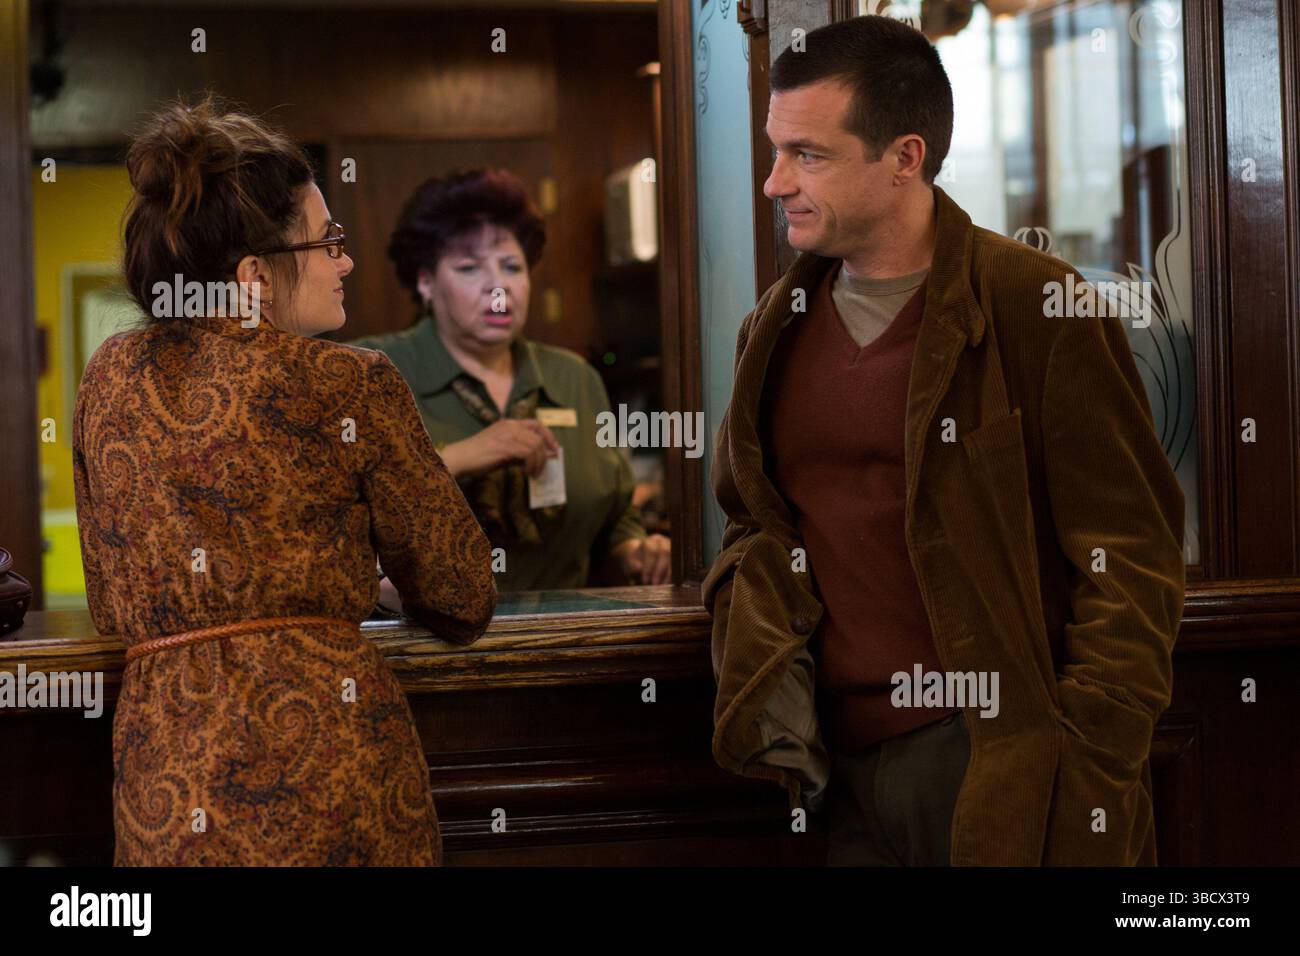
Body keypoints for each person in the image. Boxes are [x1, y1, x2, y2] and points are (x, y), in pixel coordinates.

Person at [704, 16, 1185, 866]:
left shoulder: (1037, 305)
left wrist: (1089, 758)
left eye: (808, 155)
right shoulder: (771, 330)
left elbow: (1132, 557)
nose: (775, 182)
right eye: (775, 151)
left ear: (905, 158)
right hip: (833, 772)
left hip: (998, 762)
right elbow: (754, 526)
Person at [72, 96, 496, 865]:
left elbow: (110, 602)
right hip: (334, 781)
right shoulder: (349, 382)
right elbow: (463, 592)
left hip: (166, 782)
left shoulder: (106, 381)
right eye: (327, 241)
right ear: (254, 276)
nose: (346, 260)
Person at [351, 168, 671, 592]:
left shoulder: (573, 377)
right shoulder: (371, 371)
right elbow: (335, 510)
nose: (498, 287)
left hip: (571, 636)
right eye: (469, 268)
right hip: (423, 647)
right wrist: (461, 457)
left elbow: (614, 517)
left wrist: (635, 550)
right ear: (426, 282)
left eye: (511, 266)